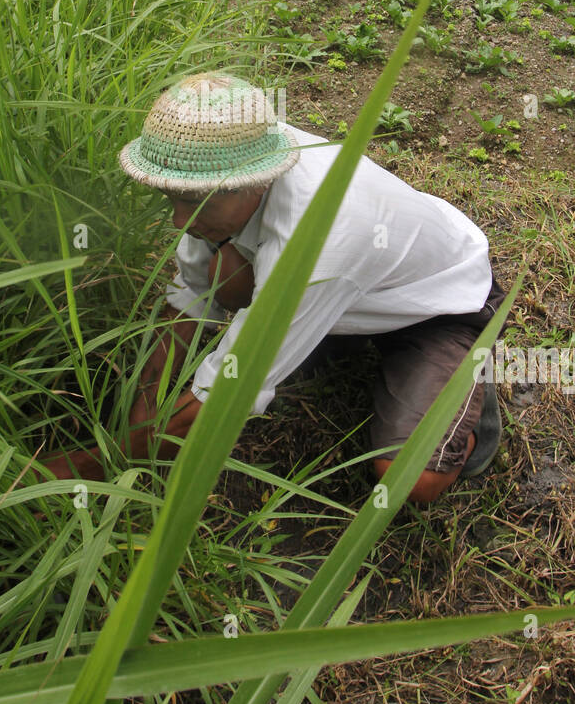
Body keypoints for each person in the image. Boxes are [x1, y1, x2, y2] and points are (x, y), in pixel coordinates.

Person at [39, 71, 508, 503]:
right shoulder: (237, 144)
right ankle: (341, 331)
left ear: (251, 186)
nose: (179, 220)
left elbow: (226, 396)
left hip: (440, 310)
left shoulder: (321, 240)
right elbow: (188, 297)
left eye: (192, 203)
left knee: (408, 479)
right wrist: (143, 415)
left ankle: (467, 392)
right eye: (171, 199)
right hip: (362, 287)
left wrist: (87, 469)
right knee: (222, 275)